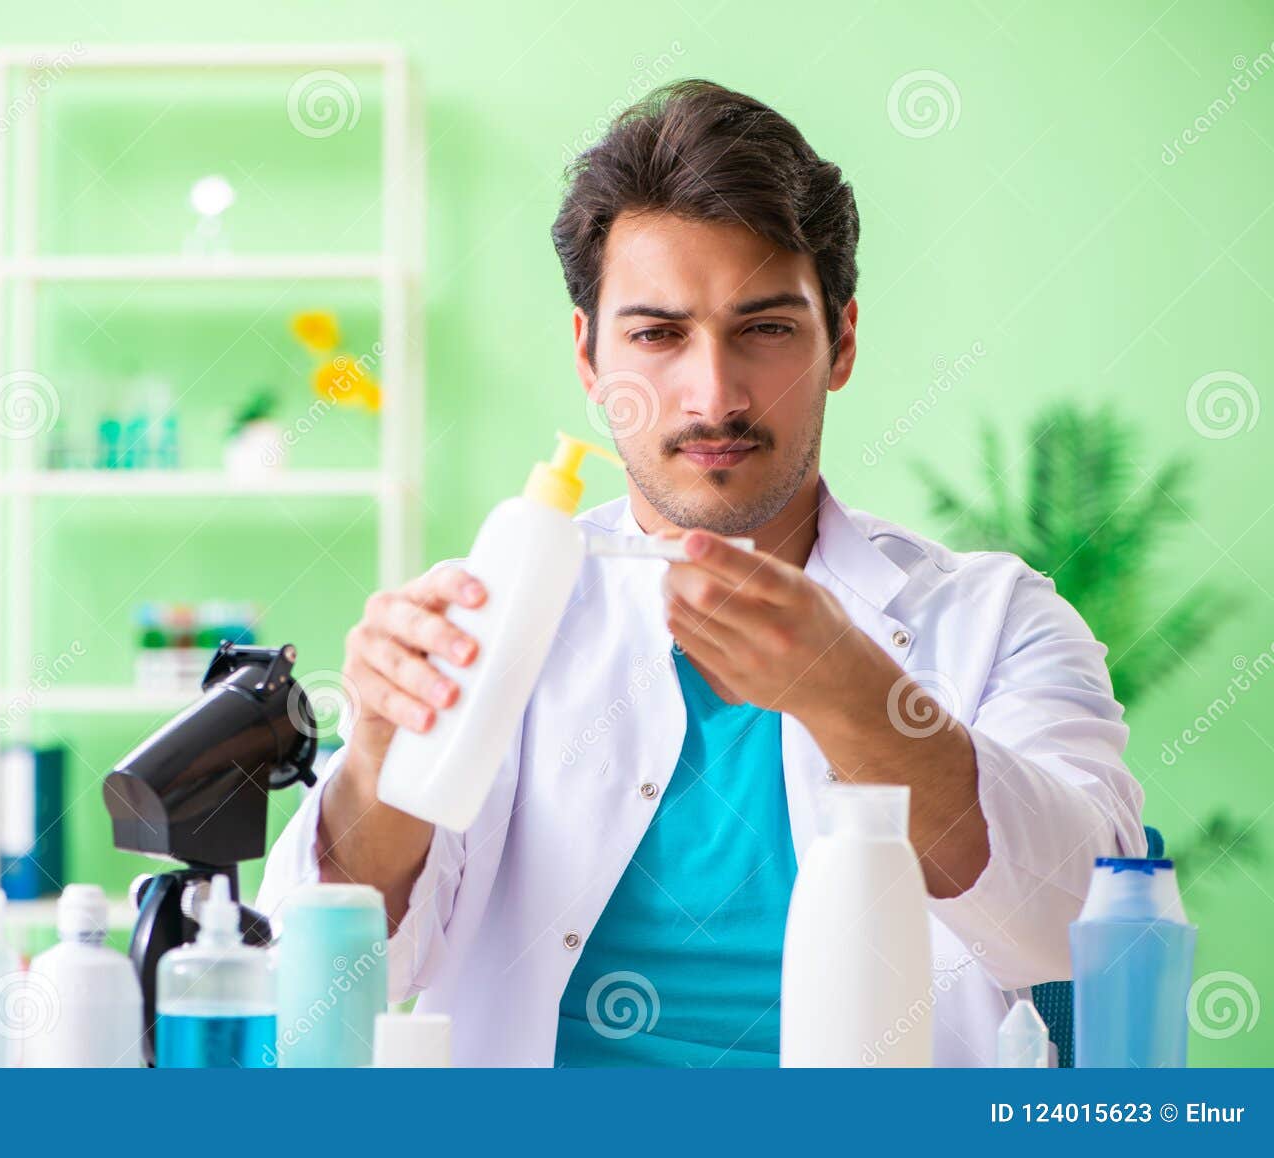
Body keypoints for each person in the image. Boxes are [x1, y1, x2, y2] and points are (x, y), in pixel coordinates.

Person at [257, 79, 1144, 1067]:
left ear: (841, 342)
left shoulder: (996, 619)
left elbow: (1083, 932)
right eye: (657, 334)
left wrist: (854, 696)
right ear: (589, 357)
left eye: (764, 329)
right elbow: (323, 978)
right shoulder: (485, 612)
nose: (712, 395)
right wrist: (379, 760)